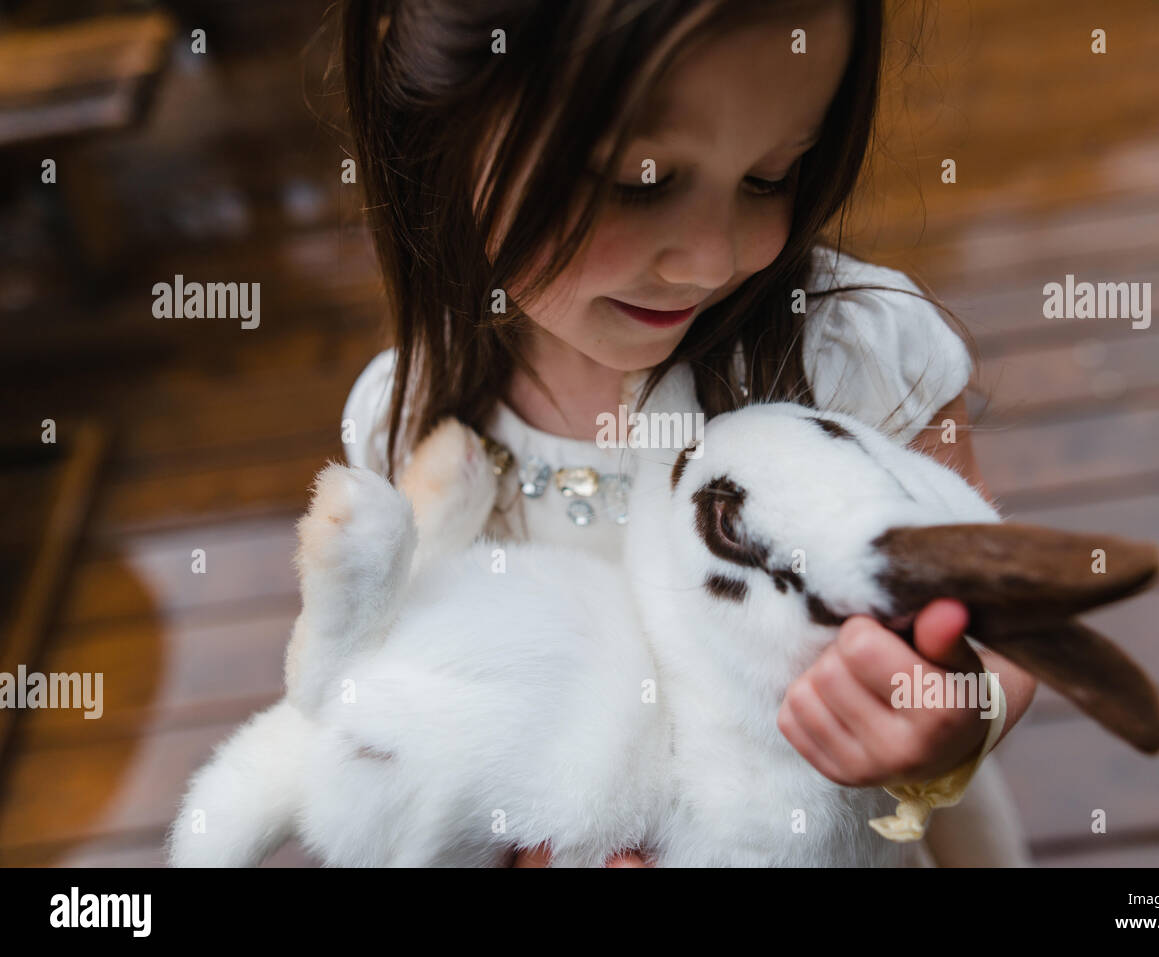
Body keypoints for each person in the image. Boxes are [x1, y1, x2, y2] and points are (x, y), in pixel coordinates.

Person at [337, 0, 1035, 867]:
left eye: (772, 176)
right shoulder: (401, 429)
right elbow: (399, 698)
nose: (711, 258)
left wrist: (956, 717)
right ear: (438, 120)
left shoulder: (855, 359)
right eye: (640, 182)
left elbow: (1002, 622)